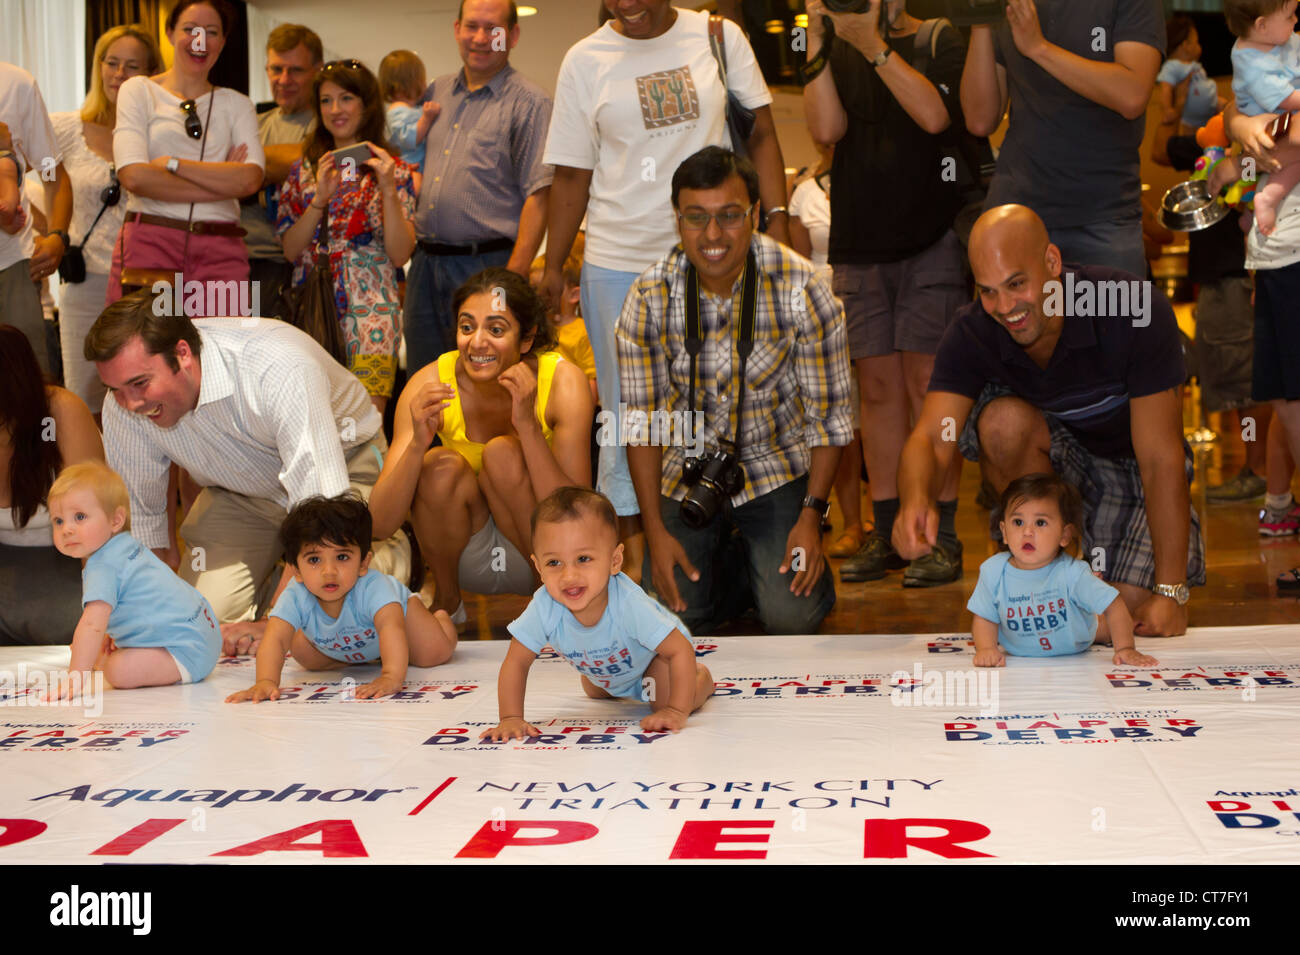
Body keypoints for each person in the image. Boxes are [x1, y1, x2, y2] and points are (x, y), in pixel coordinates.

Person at [541, 0, 789, 562]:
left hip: (714, 254)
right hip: (617, 262)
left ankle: (723, 541)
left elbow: (766, 134)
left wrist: (777, 221)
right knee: (632, 415)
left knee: (722, 399)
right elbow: (572, 173)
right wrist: (555, 266)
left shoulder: (718, 37)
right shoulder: (585, 59)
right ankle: (640, 553)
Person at [894, 204, 1206, 638]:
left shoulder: (1133, 307)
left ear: (1052, 263)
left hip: (1131, 464)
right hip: (1059, 452)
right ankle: (1038, 574)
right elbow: (931, 436)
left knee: (1119, 614)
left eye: (1016, 284)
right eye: (987, 291)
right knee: (1001, 422)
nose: (1005, 308)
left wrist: (1172, 593)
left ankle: (1059, 589)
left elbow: (1161, 460)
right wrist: (915, 499)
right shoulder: (973, 331)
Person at [85, 289, 410, 653]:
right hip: (240, 494)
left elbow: (322, 509)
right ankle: (278, 575)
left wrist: (275, 622)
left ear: (182, 354)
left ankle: (387, 544)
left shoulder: (278, 365)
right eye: (114, 389)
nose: (130, 403)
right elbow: (144, 529)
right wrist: (135, 617)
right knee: (198, 624)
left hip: (344, 475)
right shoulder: (123, 406)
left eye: (139, 384)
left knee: (342, 613)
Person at [619, 147, 852, 635]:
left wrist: (812, 517)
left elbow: (830, 420)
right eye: (696, 218)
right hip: (686, 475)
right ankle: (739, 575)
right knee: (670, 621)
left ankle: (767, 574)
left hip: (777, 471)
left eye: (729, 216)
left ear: (755, 215)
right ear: (677, 219)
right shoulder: (649, 296)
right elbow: (641, 423)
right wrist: (654, 533)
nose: (712, 235)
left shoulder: (804, 287)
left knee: (791, 620)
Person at [804, 0, 969, 587]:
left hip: (932, 237)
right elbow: (825, 130)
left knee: (930, 388)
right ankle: (889, 527)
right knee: (875, 393)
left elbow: (934, 116)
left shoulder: (938, 38)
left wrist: (874, 46)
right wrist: (819, 38)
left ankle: (940, 533)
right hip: (859, 240)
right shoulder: (829, 46)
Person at [370, 268, 594, 622]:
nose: (477, 343)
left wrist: (528, 427)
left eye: (496, 329)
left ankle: (550, 603)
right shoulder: (429, 385)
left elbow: (579, 518)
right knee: (437, 465)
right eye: (467, 327)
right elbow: (379, 525)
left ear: (526, 338)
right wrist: (417, 447)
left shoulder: (563, 381)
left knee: (503, 452)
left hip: (550, 554)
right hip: (467, 553)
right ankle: (447, 601)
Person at [481, 486, 713, 740]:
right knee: (594, 689)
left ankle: (701, 679)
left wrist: (676, 710)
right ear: (538, 566)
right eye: (554, 563)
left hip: (656, 659)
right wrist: (510, 718)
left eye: (583, 559)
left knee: (662, 699)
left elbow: (679, 649)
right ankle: (614, 683)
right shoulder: (544, 605)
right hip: (608, 671)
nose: (569, 576)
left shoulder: (628, 604)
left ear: (614, 561)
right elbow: (516, 661)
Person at [404, 0, 554, 377]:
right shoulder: (435, 92)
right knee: (425, 380)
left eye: (494, 29)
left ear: (513, 35)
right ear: (456, 29)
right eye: (472, 26)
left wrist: (511, 279)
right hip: (424, 265)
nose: (481, 38)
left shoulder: (530, 103)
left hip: (487, 265)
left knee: (488, 382)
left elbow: (539, 196)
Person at [960, 0, 1164, 275]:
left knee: (1110, 317)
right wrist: (979, 17)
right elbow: (979, 119)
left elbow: (1132, 94)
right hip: (1015, 206)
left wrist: (1039, 48)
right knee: (1010, 315)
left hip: (1101, 210)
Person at [277, 59, 416, 411]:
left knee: (366, 427)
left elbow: (400, 254)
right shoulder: (304, 171)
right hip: (314, 309)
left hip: (372, 313)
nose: (335, 109)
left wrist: (386, 188)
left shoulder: (392, 169)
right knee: (313, 420)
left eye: (346, 98)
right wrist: (319, 200)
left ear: (366, 104)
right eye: (326, 100)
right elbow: (291, 250)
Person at [226, 493, 457, 703]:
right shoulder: (295, 594)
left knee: (433, 653)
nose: (329, 571)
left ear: (364, 563)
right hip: (351, 643)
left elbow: (390, 628)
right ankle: (363, 658)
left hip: (402, 621)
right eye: (315, 560)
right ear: (296, 569)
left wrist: (390, 676)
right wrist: (266, 681)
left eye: (343, 557)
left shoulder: (375, 587)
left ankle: (441, 618)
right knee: (303, 655)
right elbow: (274, 639)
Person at [109, 0, 264, 310]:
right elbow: (134, 176)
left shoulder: (238, 104)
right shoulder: (138, 90)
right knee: (144, 351)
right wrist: (221, 179)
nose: (199, 41)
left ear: (223, 41)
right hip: (150, 242)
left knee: (224, 351)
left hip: (222, 250)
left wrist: (172, 165)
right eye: (190, 30)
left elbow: (249, 181)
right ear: (169, 32)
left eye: (211, 32)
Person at [52, 24, 161, 414]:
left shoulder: (160, 134)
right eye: (111, 63)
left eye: (132, 66)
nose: (119, 74)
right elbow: (33, 177)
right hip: (85, 284)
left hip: (145, 281)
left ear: (150, 74)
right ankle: (88, 474)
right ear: (98, 67)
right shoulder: (65, 127)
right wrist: (48, 235)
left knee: (144, 397)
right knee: (83, 396)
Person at [48, 461, 222, 692]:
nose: (66, 529)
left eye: (79, 517)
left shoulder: (104, 566)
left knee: (116, 670)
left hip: (185, 654)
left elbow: (92, 624)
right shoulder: (126, 546)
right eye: (58, 521)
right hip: (206, 633)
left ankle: (102, 662)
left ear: (116, 520)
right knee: (93, 644)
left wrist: (75, 677)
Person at [968, 473, 1158, 668]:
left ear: (1064, 535)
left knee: (1102, 626)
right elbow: (984, 616)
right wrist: (986, 648)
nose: (1027, 532)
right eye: (1018, 522)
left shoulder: (1072, 573)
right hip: (1017, 648)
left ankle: (1092, 603)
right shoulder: (993, 571)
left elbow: (1114, 604)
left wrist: (1125, 648)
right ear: (1004, 532)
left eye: (1040, 523)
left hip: (1079, 640)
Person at [0, 325, 104, 646]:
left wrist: (99, 607)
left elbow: (95, 520)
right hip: (6, 565)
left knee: (70, 626)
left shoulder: (61, 411)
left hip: (68, 560)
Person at [242, 24, 323, 312]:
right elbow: (224, 171)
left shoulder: (328, 125)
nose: (284, 79)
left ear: (317, 70)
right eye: (276, 69)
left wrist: (251, 169)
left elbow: (319, 158)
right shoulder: (254, 123)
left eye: (296, 70)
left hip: (300, 271)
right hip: (241, 264)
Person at [0, 62, 73, 373]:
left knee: (25, 394)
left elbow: (52, 176)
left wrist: (58, 236)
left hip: (12, 266)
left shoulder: (16, 83)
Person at [1226, 0, 1300, 234]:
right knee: (1287, 163)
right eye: (1290, 16)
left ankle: (1251, 212)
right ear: (1262, 25)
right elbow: (1286, 99)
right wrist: (1237, 125)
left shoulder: (1277, 37)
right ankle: (1268, 198)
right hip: (1270, 127)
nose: (1296, 20)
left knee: (1251, 171)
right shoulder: (1253, 61)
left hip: (1269, 134)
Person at [1156, 15, 1221, 140]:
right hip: (1190, 119)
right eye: (1197, 42)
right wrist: (1167, 109)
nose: (1199, 47)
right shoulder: (1172, 66)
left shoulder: (1195, 65)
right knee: (1191, 140)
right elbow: (1166, 88)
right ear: (1186, 45)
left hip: (1212, 109)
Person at [379, 49, 438, 172]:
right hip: (409, 170)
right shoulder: (397, 110)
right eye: (422, 80)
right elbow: (409, 139)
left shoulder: (411, 109)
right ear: (411, 83)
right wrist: (426, 119)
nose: (425, 85)